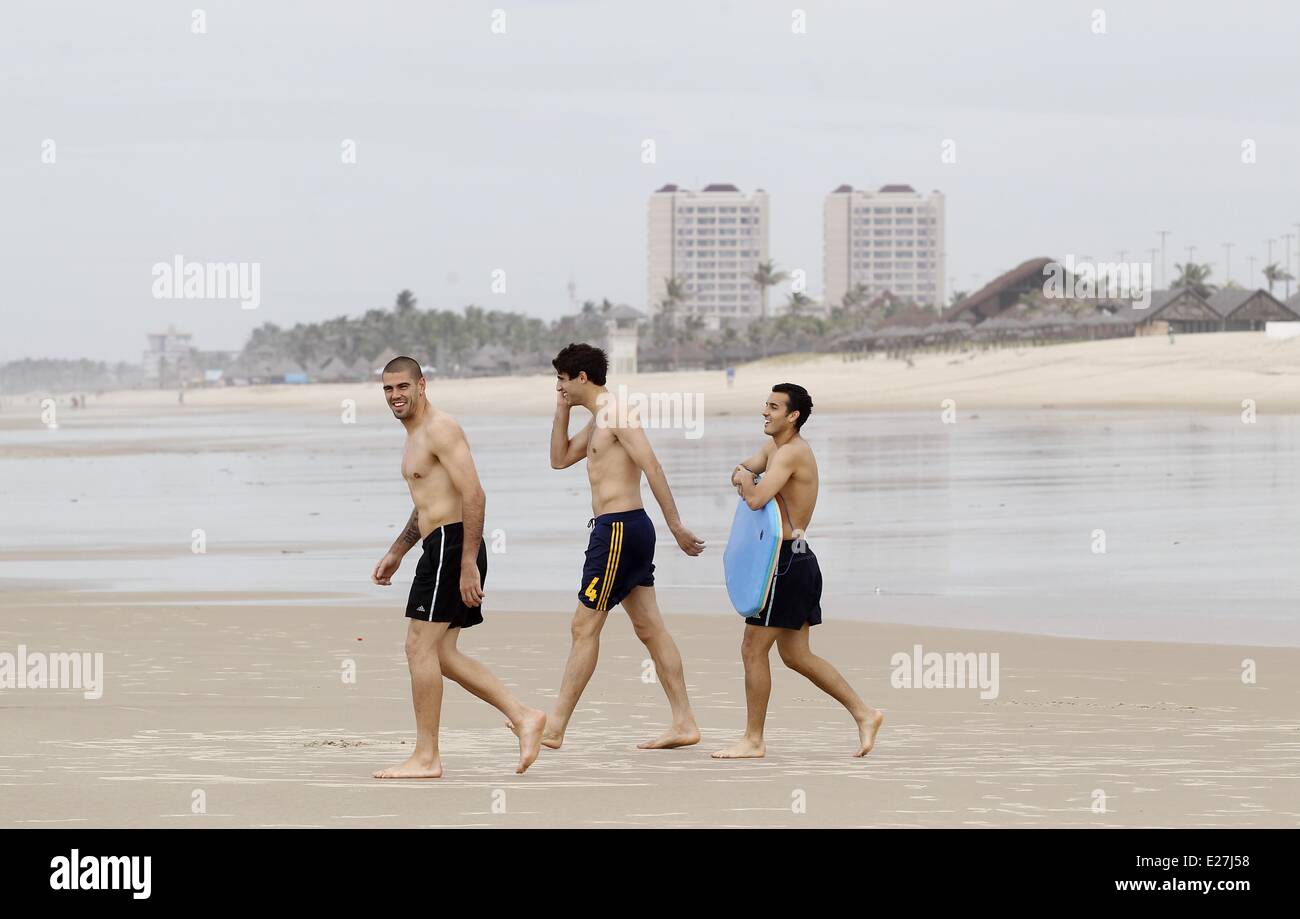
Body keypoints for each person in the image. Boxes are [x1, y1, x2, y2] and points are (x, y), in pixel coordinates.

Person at [371, 356, 545, 777]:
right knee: (442, 655)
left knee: (418, 648)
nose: (396, 395)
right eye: (388, 389)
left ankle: (427, 757)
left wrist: (468, 564)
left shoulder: (440, 429)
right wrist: (398, 550)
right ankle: (524, 717)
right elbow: (426, 505)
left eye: (402, 387)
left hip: (454, 545)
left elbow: (474, 495)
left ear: (422, 385)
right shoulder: (415, 436)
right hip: (440, 544)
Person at [536, 342, 704, 750]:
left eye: (561, 379)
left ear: (581, 377)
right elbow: (558, 459)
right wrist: (562, 410)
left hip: (618, 532)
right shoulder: (598, 419)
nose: (558, 386)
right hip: (620, 529)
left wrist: (676, 527)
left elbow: (652, 465)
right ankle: (684, 723)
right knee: (650, 628)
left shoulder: (616, 413)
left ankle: (555, 726)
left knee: (583, 626)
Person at [712, 383, 884, 760]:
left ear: (793, 416)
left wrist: (745, 479)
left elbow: (754, 495)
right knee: (796, 655)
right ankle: (865, 714)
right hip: (794, 560)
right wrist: (744, 475)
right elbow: (740, 471)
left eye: (773, 407)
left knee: (752, 648)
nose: (765, 411)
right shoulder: (772, 449)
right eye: (766, 405)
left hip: (785, 564)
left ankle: (753, 739)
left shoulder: (792, 453)